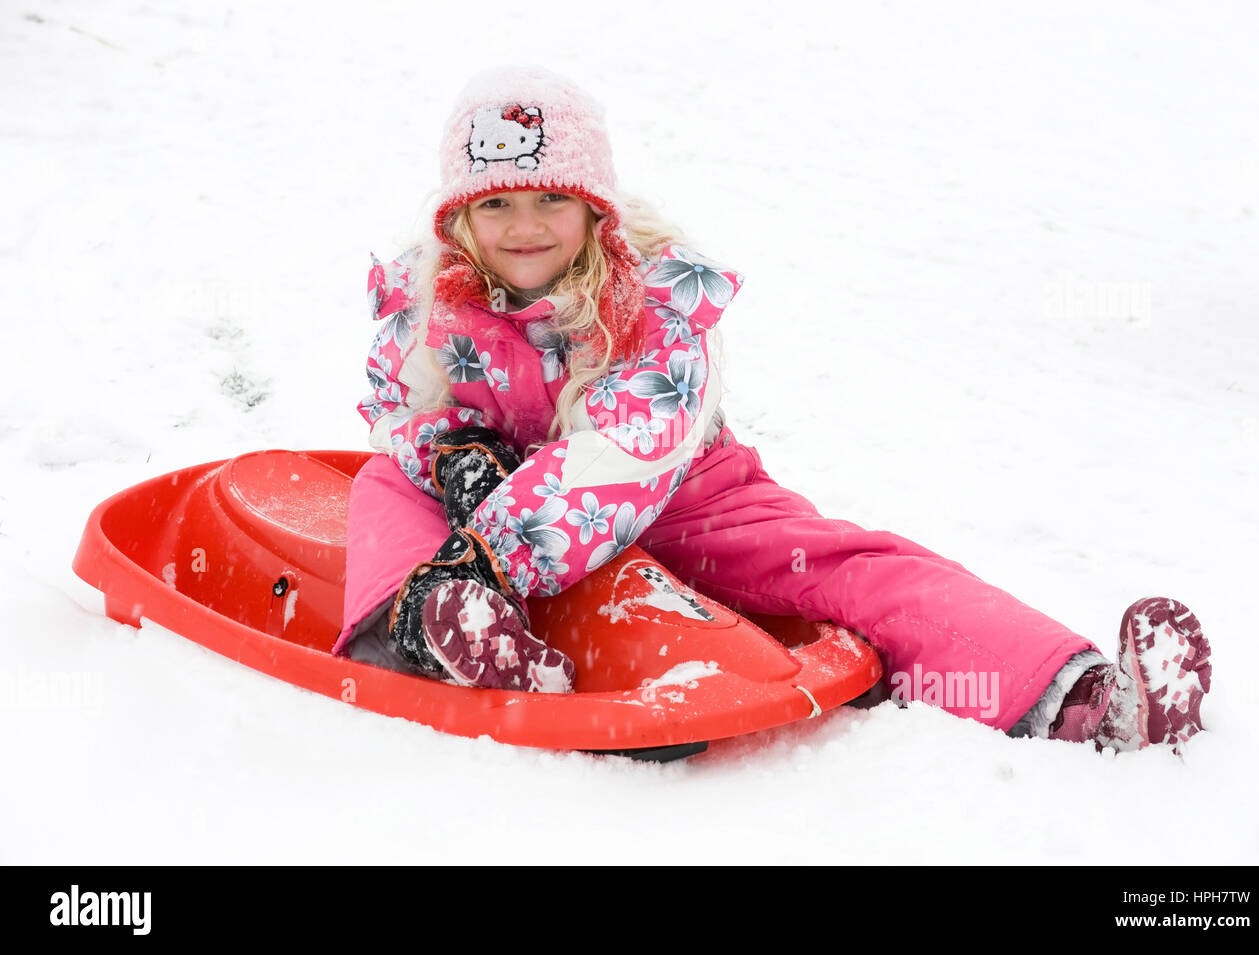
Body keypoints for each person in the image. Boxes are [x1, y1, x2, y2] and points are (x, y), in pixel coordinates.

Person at [334, 66, 1211, 752]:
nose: (524, 226)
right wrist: (453, 457)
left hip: (681, 495)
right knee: (384, 484)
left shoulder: (657, 299)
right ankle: (431, 621)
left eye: (551, 198)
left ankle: (1076, 695)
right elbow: (393, 404)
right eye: (495, 203)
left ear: (595, 206)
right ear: (459, 215)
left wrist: (491, 550)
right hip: (498, 503)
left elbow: (624, 456)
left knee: (847, 565)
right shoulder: (427, 297)